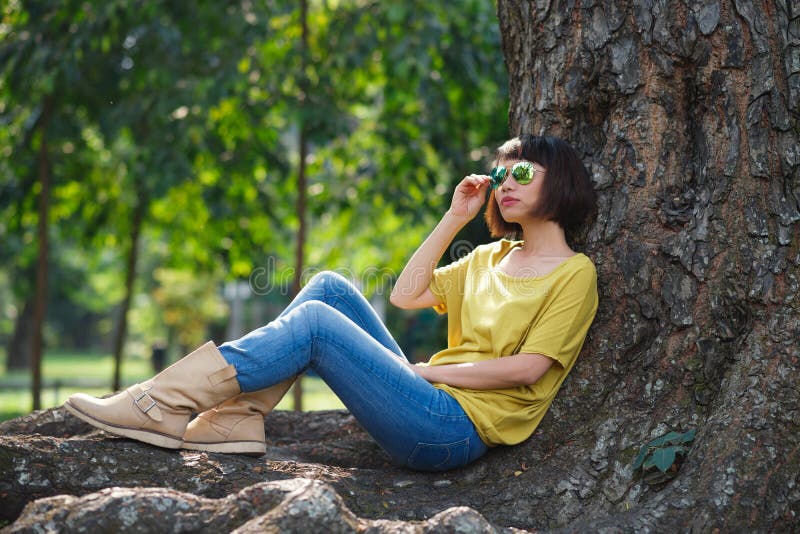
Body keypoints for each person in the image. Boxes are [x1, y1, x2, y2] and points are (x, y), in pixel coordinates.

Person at [64, 134, 598, 472]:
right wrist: (456, 217)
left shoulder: (575, 275)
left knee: (316, 323)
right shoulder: (488, 257)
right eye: (501, 174)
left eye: (521, 173)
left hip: (453, 430)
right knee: (329, 288)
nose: (505, 183)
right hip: (427, 397)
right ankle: (238, 420)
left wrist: (428, 375)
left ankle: (162, 402)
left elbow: (528, 370)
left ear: (562, 184)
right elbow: (405, 294)